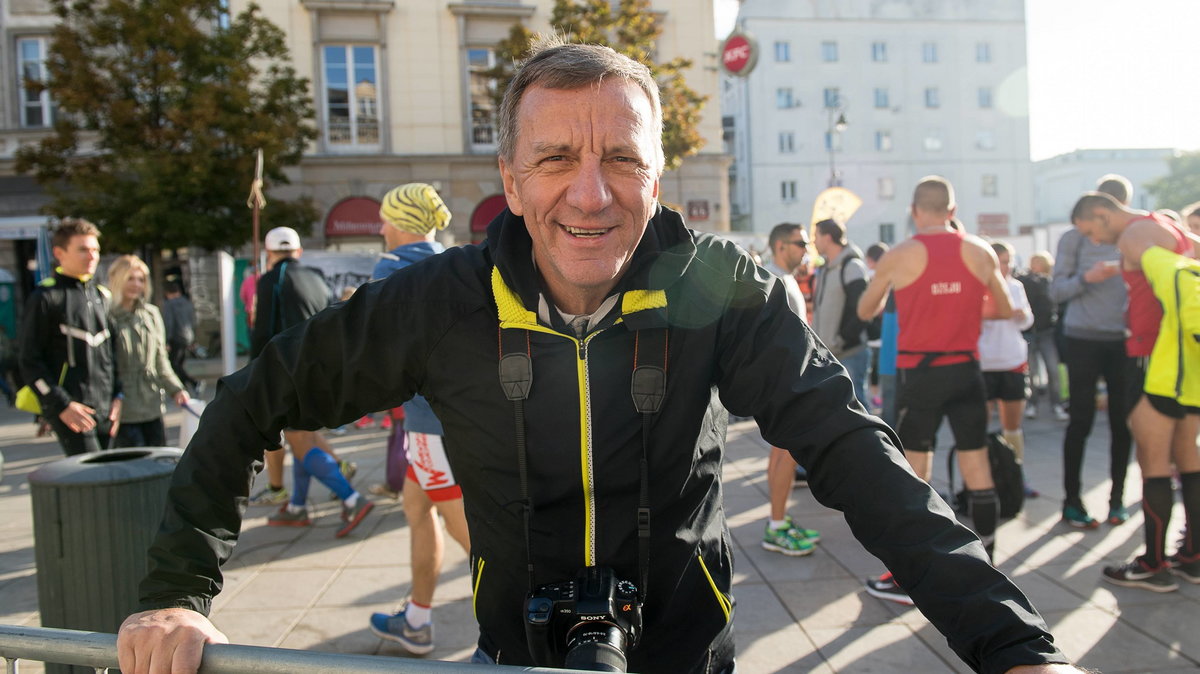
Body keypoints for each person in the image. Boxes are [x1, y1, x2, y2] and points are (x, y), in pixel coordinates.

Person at [118, 43, 1081, 674]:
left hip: (686, 657)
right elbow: (249, 402)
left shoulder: (722, 289)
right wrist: (174, 597)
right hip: (515, 656)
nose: (590, 194)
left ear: (658, 175)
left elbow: (854, 451)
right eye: (554, 160)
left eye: (621, 158)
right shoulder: (440, 303)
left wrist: (1012, 644)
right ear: (509, 180)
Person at [857, 176, 1014, 604]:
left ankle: (911, 576)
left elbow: (866, 309)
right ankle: (986, 567)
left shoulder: (900, 254)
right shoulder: (980, 250)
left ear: (914, 210)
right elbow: (1003, 308)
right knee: (976, 465)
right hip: (966, 369)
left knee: (916, 473)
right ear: (952, 210)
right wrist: (960, 305)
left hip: (921, 373)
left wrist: (915, 299)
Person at [1070, 192, 1200, 592]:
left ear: (1102, 214)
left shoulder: (1133, 235)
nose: (1095, 241)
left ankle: (1153, 564)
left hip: (1153, 356)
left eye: (1091, 232)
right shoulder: (1167, 224)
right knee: (1188, 455)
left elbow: (1171, 278)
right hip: (1185, 359)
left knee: (1153, 459)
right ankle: (1192, 557)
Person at [365, 183, 471, 654]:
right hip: (455, 415)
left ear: (402, 222)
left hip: (428, 423)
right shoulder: (453, 262)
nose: (381, 227)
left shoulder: (391, 267)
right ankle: (417, 619)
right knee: (416, 506)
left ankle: (528, 619)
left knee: (467, 531)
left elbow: (377, 345)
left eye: (386, 218)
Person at [251, 226, 371, 536]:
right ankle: (297, 506)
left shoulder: (272, 280)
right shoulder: (316, 278)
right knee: (303, 438)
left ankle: (352, 499)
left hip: (291, 374)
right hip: (321, 372)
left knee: (300, 442)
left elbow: (263, 333)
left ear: (270, 253)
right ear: (299, 252)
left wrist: (255, 375)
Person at [1050, 175, 1135, 529]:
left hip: (1123, 339)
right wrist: (1088, 278)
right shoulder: (1074, 238)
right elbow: (1056, 291)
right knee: (1080, 421)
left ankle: (1117, 500)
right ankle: (1072, 501)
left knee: (1122, 423)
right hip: (1082, 338)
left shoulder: (1134, 236)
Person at [18, 218, 122, 455]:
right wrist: (61, 405)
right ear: (59, 253)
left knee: (110, 473)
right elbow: (29, 361)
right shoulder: (45, 297)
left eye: (96, 249)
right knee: (91, 475)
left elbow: (113, 353)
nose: (92, 256)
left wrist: (119, 395)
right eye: (83, 249)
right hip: (72, 409)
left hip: (107, 409)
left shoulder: (101, 296)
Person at [756, 223, 820, 557]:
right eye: (801, 243)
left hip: (788, 380)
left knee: (782, 454)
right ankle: (777, 526)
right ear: (781, 246)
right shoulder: (772, 280)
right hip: (785, 382)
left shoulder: (784, 278)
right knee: (786, 454)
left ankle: (778, 520)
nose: (806, 249)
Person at [108, 255, 190, 447]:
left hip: (152, 403)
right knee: (134, 462)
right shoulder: (106, 315)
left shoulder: (151, 313)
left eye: (141, 279)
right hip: (123, 408)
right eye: (130, 278)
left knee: (159, 458)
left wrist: (176, 389)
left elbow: (160, 359)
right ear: (117, 279)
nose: (136, 284)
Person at [979, 241, 1036, 495]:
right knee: (978, 427)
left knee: (1012, 426)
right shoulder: (978, 286)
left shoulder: (1016, 286)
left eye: (1009, 261)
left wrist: (1020, 315)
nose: (1007, 266)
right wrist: (997, 312)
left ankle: (1015, 477)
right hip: (984, 363)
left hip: (1013, 361)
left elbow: (1027, 320)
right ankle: (982, 482)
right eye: (1002, 261)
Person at [812, 218, 871, 406]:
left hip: (849, 352)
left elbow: (861, 312)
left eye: (816, 236)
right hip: (830, 354)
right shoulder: (826, 268)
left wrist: (841, 340)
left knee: (857, 407)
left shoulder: (852, 267)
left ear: (827, 238)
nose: (814, 241)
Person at [1018, 252, 1066, 421]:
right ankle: (1032, 404)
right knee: (1031, 372)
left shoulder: (1050, 282)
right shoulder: (1025, 281)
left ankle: (1057, 404)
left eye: (1038, 262)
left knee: (1053, 370)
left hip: (1046, 332)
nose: (1034, 265)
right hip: (1029, 333)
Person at [162, 279, 200, 394]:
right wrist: (193, 339)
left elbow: (169, 323)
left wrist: (167, 340)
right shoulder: (188, 303)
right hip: (188, 337)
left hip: (176, 337)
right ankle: (185, 386)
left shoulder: (169, 304)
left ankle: (192, 383)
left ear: (168, 293)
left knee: (174, 364)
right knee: (179, 364)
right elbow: (194, 321)